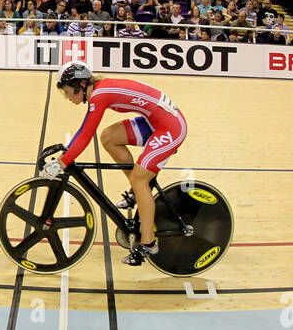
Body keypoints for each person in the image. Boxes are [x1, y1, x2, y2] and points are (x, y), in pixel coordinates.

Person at [41, 61, 187, 267]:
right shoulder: (100, 90)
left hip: (170, 128)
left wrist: (63, 162)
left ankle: (148, 243)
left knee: (139, 179)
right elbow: (86, 132)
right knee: (109, 137)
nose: (68, 98)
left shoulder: (100, 95)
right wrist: (65, 158)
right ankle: (139, 191)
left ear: (81, 85)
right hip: (156, 121)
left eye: (67, 92)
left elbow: (85, 133)